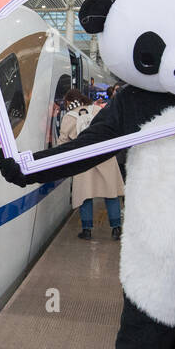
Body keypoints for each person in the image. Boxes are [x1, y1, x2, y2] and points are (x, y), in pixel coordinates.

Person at [58, 88, 123, 240]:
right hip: (104, 155)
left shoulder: (68, 117)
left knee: (85, 195)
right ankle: (116, 229)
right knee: (111, 193)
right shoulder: (97, 109)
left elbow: (62, 143)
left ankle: (86, 230)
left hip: (83, 160)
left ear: (69, 102)